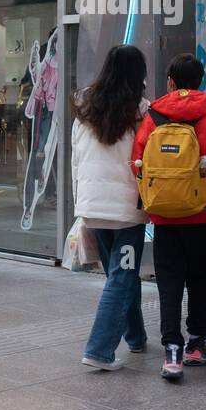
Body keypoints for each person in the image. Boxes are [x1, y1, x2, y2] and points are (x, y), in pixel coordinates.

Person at [132, 52, 206, 381]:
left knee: (169, 283)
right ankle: (197, 343)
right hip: (201, 215)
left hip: (164, 217)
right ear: (201, 81)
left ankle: (172, 352)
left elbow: (138, 158)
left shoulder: (155, 114)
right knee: (200, 281)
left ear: (171, 82)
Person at [72, 45, 150, 371]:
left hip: (93, 207)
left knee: (120, 273)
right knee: (122, 276)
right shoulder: (142, 111)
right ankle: (99, 349)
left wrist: (80, 201)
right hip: (126, 211)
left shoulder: (87, 108)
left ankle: (136, 336)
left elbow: (76, 158)